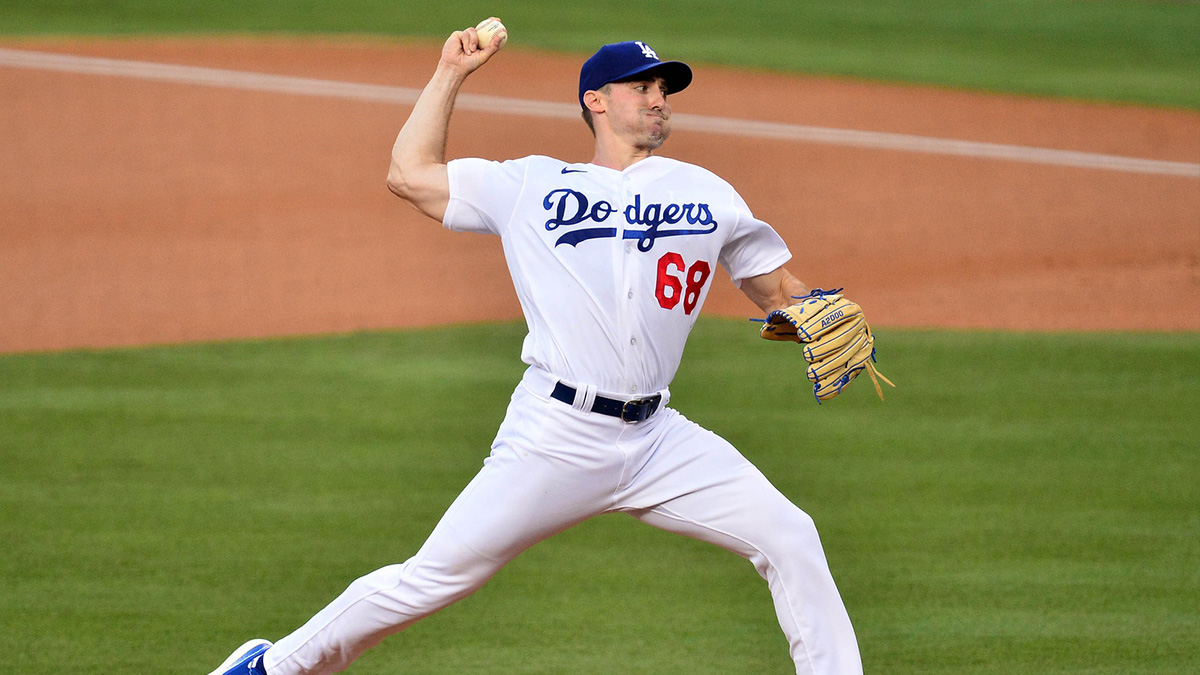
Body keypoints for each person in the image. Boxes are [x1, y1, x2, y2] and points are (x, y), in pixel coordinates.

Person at [208, 25, 864, 675]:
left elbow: (773, 285)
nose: (658, 98)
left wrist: (813, 312)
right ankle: (272, 667)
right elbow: (408, 175)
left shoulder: (708, 192)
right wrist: (450, 73)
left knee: (790, 536)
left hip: (658, 439)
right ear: (595, 101)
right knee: (431, 580)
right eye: (641, 87)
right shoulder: (531, 184)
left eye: (664, 89)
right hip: (556, 435)